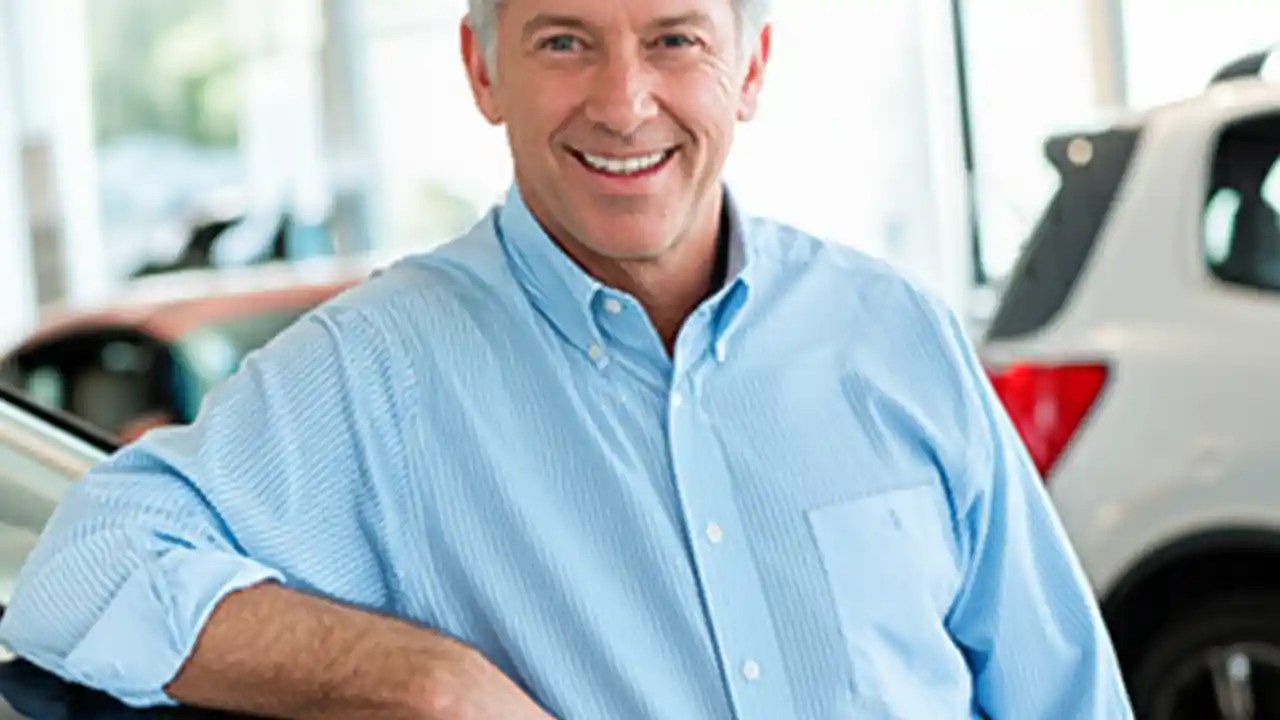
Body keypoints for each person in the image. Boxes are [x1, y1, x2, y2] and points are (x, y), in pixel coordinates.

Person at [0, 0, 1134, 717]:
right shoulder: (377, 370)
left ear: (750, 67)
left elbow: (1063, 696)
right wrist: (426, 685)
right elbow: (83, 571)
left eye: (674, 39)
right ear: (481, 68)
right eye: (563, 41)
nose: (623, 104)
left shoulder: (894, 332)